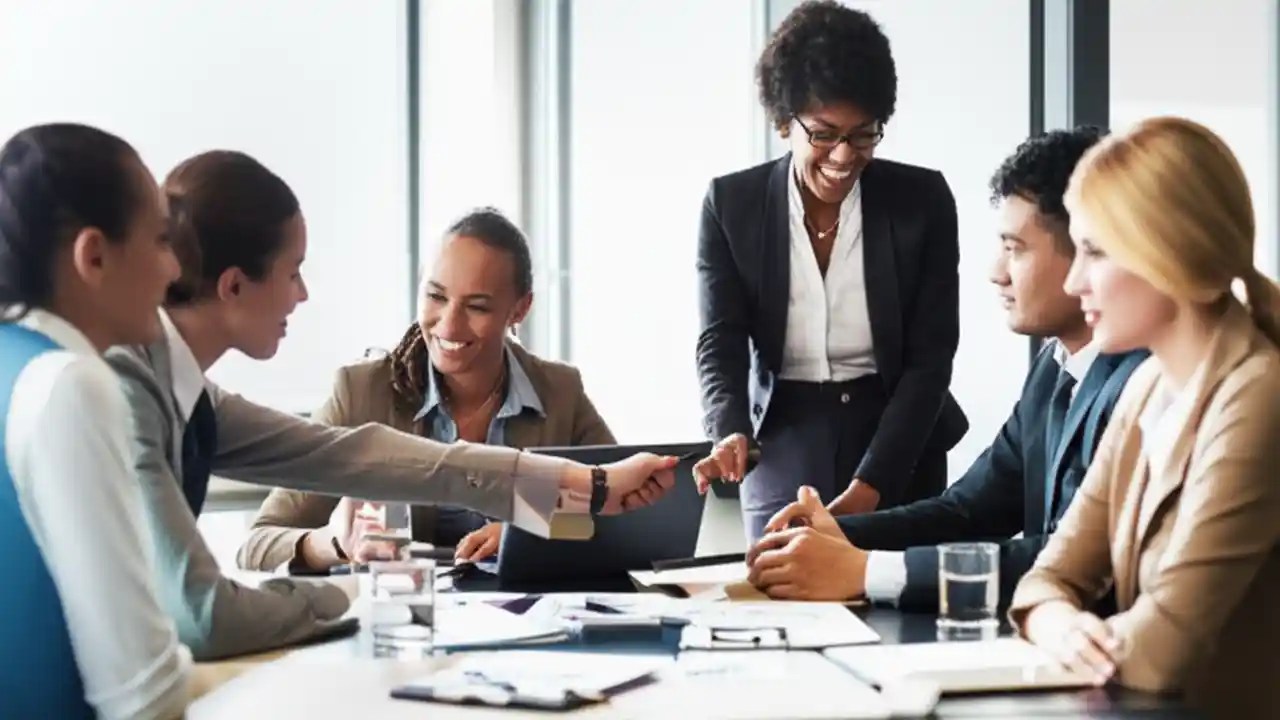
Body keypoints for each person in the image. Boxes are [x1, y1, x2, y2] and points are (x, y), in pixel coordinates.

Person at [105, 151, 675, 660]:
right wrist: (362, 589)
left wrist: (587, 490)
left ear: (517, 309)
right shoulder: (130, 390)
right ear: (233, 285)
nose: (303, 294)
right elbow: (206, 615)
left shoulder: (191, 396)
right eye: (294, 271)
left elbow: (373, 457)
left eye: (477, 304)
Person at [745, 128, 1147, 608]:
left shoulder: (1143, 383)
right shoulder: (1053, 369)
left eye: (1014, 248)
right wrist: (838, 534)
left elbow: (1077, 562)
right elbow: (970, 509)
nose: (996, 271)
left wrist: (867, 571)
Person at [1007, 117, 1280, 717]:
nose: (1075, 280)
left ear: (1169, 252)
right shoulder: (1148, 386)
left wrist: (1065, 629)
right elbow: (1045, 581)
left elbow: (1161, 655)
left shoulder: (1259, 398)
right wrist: (1060, 627)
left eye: (1095, 252)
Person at [693, 0, 967, 542]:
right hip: (784, 430)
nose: (844, 156)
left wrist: (874, 484)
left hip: (898, 430)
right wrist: (728, 431)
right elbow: (719, 342)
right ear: (782, 122)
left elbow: (930, 361)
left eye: (863, 134)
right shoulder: (731, 204)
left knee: (898, 592)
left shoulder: (923, 200)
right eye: (823, 134)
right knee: (782, 587)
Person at [237, 208, 616, 571]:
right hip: (407, 622)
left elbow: (628, 515)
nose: (449, 326)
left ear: (519, 309)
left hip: (532, 626)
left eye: (478, 307)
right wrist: (336, 543)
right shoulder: (361, 394)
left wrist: (524, 535)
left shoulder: (559, 392)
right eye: (436, 297)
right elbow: (257, 545)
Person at [0, 124, 190, 718]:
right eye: (161, 240)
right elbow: (144, 696)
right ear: (95, 255)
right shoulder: (71, 386)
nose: (175, 270)